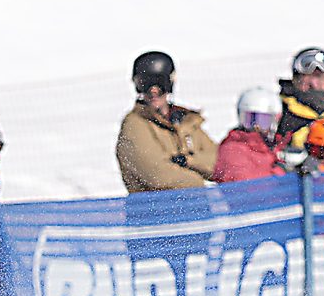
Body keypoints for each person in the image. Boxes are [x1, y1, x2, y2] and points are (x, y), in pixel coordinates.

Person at [117, 51, 218, 191]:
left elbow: (219, 162)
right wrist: (198, 182)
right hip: (157, 204)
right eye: (145, 84)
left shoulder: (185, 122)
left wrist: (188, 161)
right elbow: (158, 176)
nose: (153, 90)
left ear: (170, 83)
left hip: (197, 202)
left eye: (160, 82)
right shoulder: (134, 126)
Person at [278, 47, 324, 151]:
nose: (314, 82)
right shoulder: (279, 108)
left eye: (319, 76)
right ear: (296, 78)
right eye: (309, 76)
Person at [215, 86, 286, 182]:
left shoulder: (274, 147)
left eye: (263, 121)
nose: (256, 126)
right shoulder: (234, 149)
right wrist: (282, 173)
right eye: (250, 119)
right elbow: (249, 184)